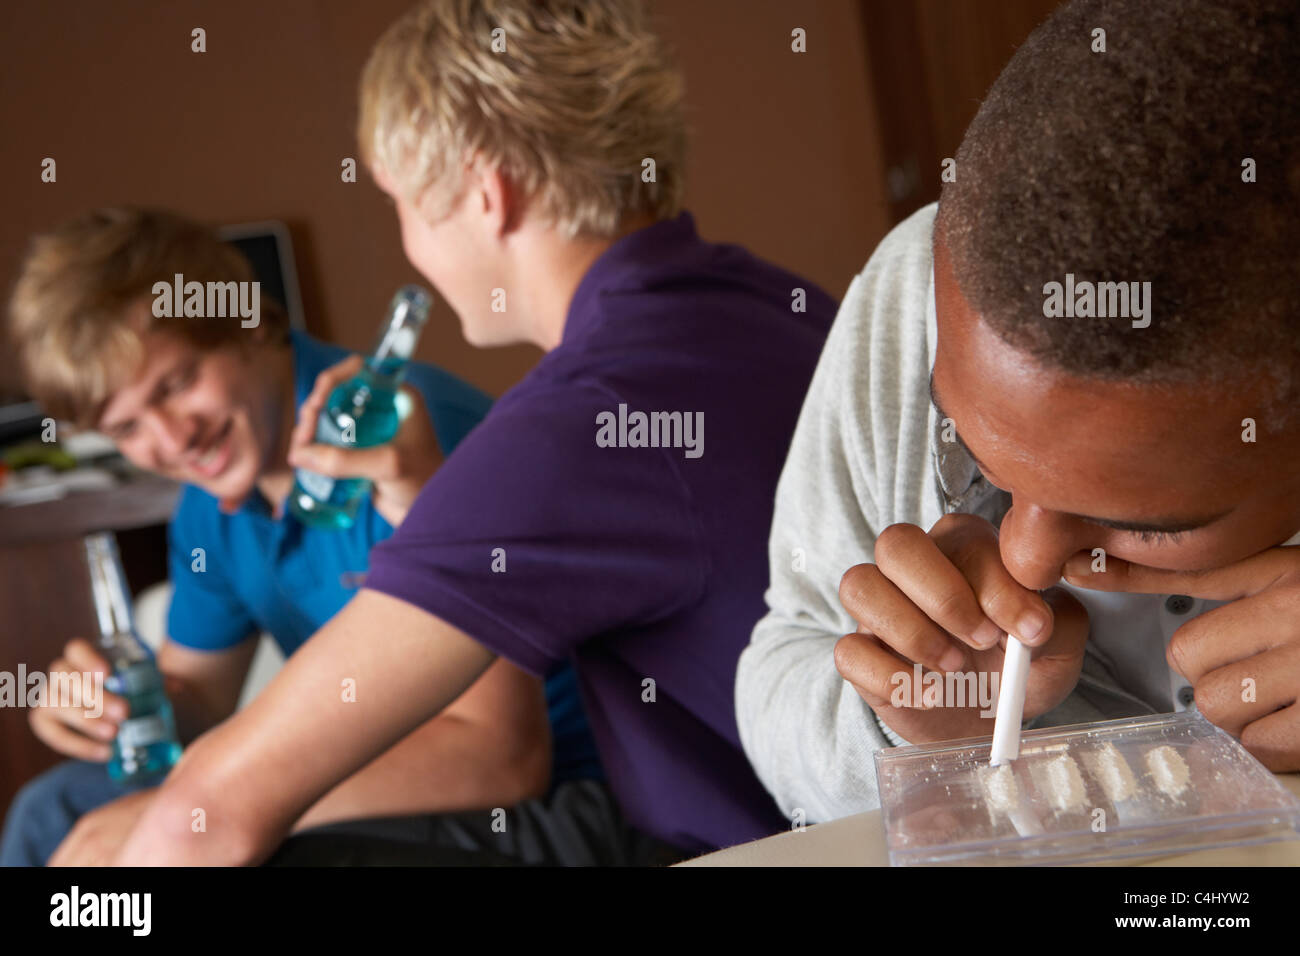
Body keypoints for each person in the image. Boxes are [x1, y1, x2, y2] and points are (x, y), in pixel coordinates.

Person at [107, 0, 837, 866]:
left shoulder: (576, 423)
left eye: (402, 204)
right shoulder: (777, 305)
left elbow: (215, 809)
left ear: (488, 194)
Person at [737, 0, 1300, 824]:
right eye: (966, 445)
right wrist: (905, 732)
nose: (1028, 564)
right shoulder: (915, 294)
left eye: (1155, 523)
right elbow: (781, 664)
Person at [2, 206, 600, 866]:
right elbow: (198, 697)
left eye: (176, 384)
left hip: (557, 797)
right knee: (51, 811)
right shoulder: (215, 502)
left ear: (248, 321)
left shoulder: (410, 437)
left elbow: (497, 758)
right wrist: (117, 701)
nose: (172, 440)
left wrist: (210, 806)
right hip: (400, 775)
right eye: (126, 429)